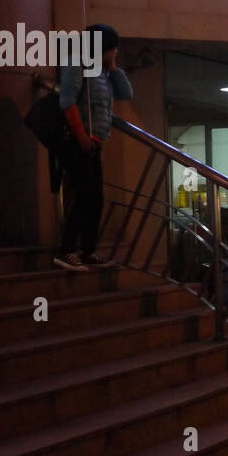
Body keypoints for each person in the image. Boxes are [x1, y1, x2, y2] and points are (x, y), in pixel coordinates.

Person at [53, 24, 135, 271]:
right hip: (76, 141)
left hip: (95, 142)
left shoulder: (102, 72)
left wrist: (113, 68)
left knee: (95, 199)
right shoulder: (76, 64)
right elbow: (67, 100)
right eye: (113, 49)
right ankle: (67, 249)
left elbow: (126, 93)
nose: (115, 53)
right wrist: (80, 134)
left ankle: (88, 249)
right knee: (84, 195)